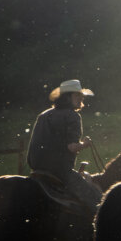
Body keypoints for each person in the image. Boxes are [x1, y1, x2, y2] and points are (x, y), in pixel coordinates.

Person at [26, 79, 102, 210]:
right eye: (77, 95)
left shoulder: (43, 115)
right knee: (97, 200)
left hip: (37, 169)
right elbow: (72, 147)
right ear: (67, 97)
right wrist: (85, 144)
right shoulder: (73, 116)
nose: (81, 99)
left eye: (81, 96)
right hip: (60, 170)